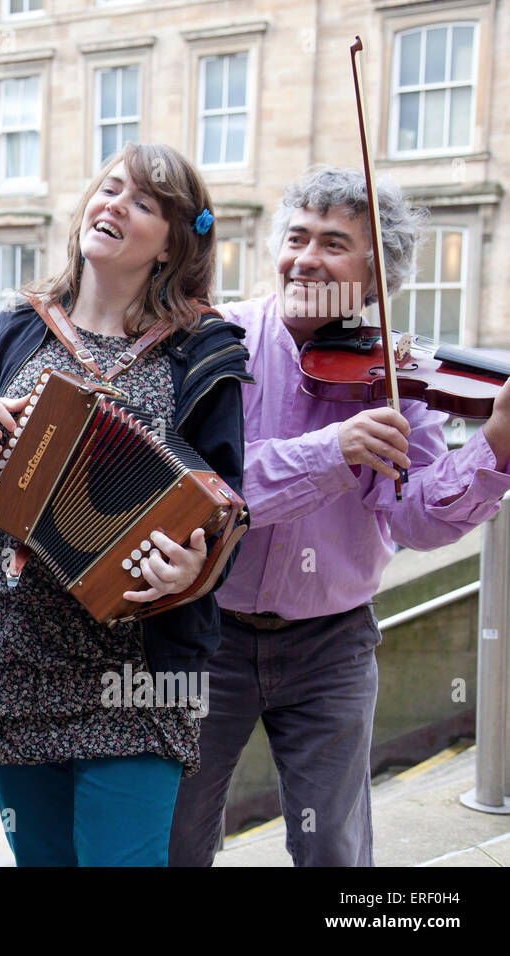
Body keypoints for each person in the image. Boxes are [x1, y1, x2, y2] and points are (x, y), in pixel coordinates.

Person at [169, 166, 510, 867]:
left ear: (375, 277)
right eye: (297, 236)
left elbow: (416, 518)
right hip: (209, 630)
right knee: (179, 834)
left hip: (332, 645)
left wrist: (493, 448)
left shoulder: (394, 370)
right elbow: (206, 491)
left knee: (334, 847)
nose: (306, 257)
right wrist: (331, 451)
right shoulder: (217, 342)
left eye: (333, 242)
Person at [0, 142, 250, 867]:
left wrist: (190, 571)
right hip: (17, 660)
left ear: (173, 244)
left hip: (138, 675)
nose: (115, 206)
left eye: (143, 203)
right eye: (110, 188)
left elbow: (228, 518)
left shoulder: (202, 352)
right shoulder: (20, 327)